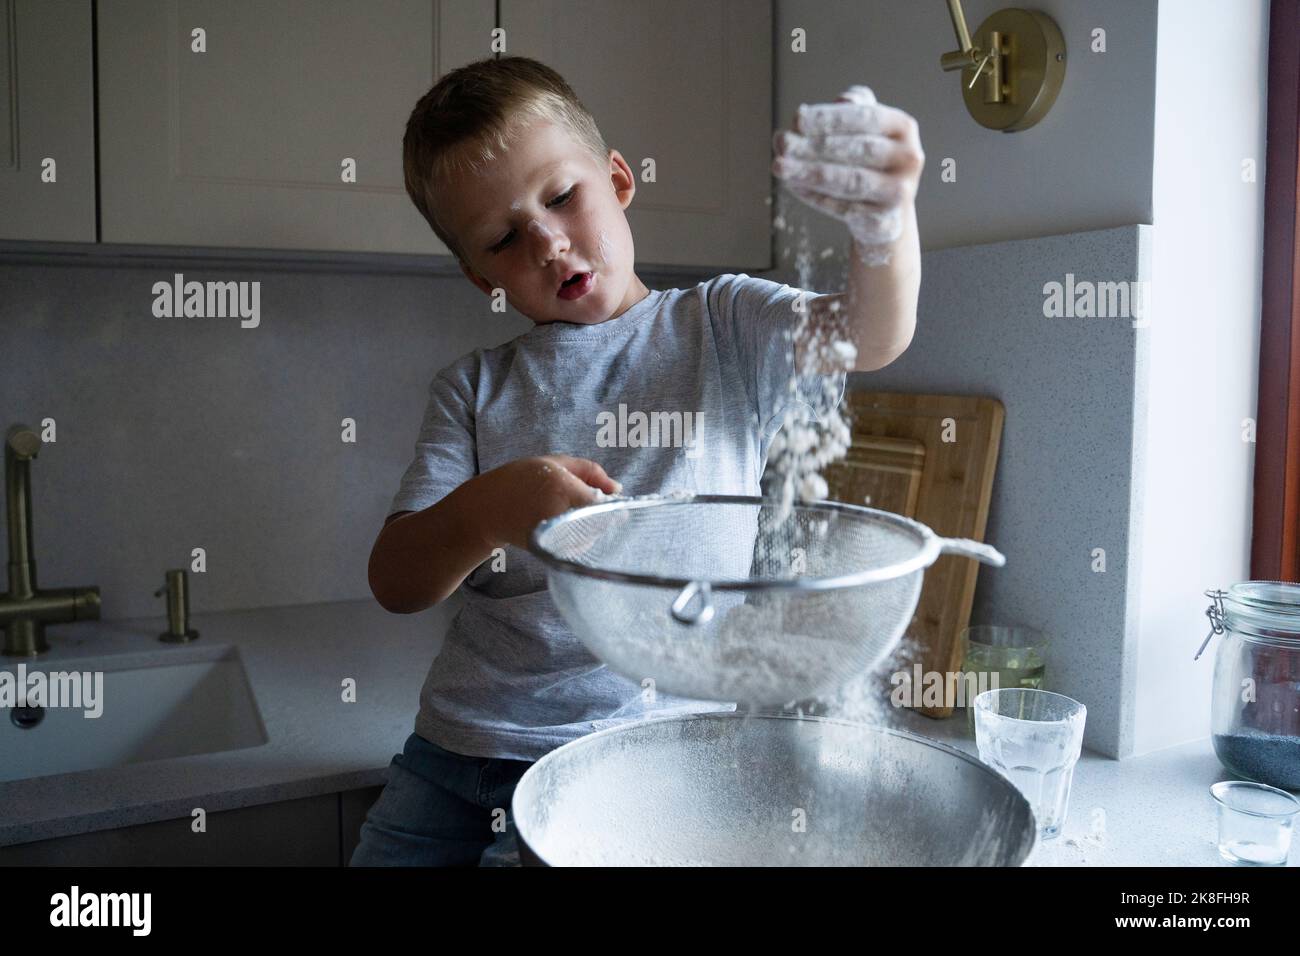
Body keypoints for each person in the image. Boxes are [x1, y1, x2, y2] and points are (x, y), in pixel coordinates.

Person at [349, 56, 923, 866]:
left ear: (618, 180)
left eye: (560, 197)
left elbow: (867, 335)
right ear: (481, 275)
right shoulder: (473, 390)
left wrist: (884, 223)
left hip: (654, 770)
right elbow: (396, 581)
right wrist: (490, 509)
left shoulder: (722, 324)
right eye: (505, 239)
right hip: (459, 758)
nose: (547, 242)